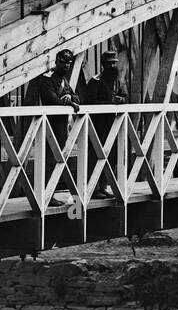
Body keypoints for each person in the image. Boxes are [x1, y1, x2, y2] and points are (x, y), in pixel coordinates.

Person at [24, 49, 81, 206]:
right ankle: (45, 195)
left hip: (61, 127)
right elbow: (51, 100)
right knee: (48, 161)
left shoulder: (62, 80)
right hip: (49, 126)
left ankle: (50, 193)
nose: (66, 67)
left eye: (68, 64)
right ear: (57, 62)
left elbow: (76, 97)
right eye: (63, 63)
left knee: (57, 160)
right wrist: (68, 100)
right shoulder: (47, 79)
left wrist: (69, 98)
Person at [82, 51, 127, 198]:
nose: (112, 65)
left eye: (114, 62)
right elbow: (89, 102)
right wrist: (110, 102)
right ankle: (93, 189)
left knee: (110, 156)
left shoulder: (117, 80)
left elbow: (125, 95)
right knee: (95, 155)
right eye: (109, 63)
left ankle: (103, 186)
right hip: (97, 124)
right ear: (103, 64)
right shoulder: (95, 81)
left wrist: (121, 99)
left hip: (112, 124)